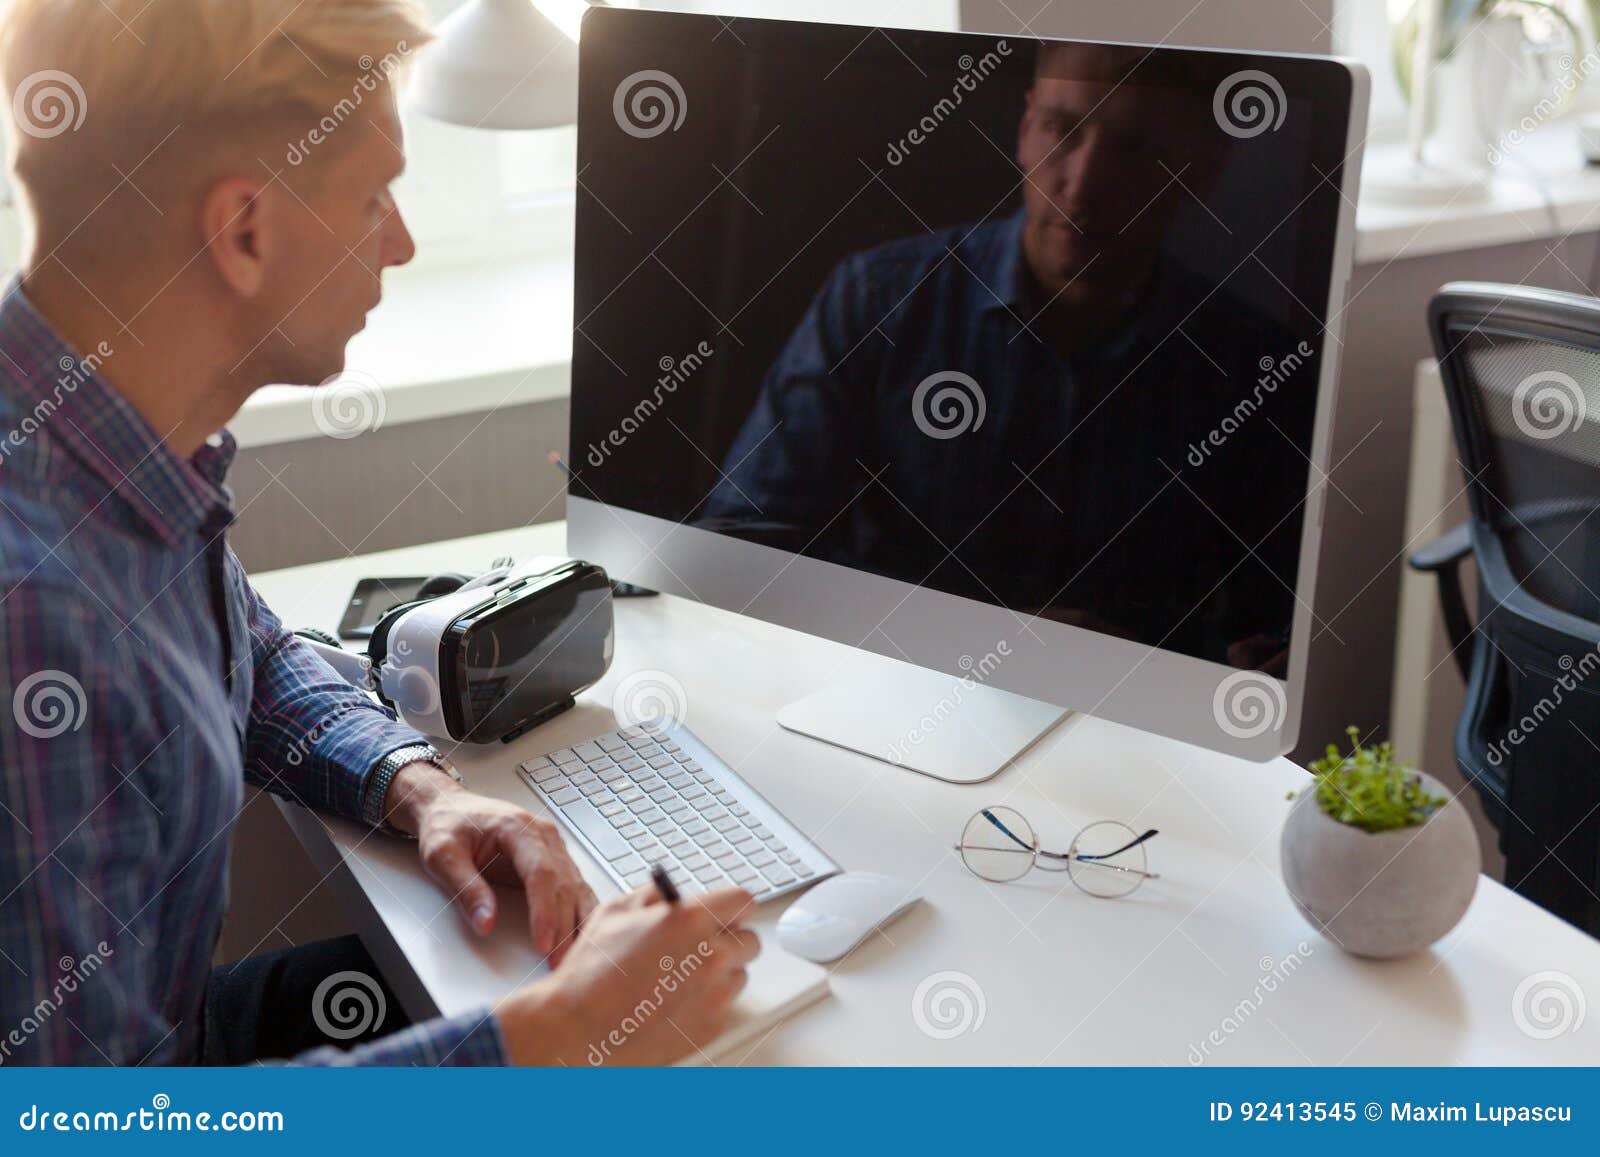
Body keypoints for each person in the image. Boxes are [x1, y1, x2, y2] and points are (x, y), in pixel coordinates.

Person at [0, 0, 756, 1066]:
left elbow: (246, 649)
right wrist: (559, 1035)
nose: (399, 242)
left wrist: (419, 787)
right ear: (245, 230)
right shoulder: (35, 616)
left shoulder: (102, 435)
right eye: (373, 196)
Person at [702, 42, 1311, 670]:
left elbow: (1278, 621)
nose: (1082, 181)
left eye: (1135, 148)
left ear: (1202, 169)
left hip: (1136, 735)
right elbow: (742, 542)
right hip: (898, 687)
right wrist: (976, 637)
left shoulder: (1256, 366)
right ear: (1025, 130)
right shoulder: (878, 298)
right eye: (1061, 129)